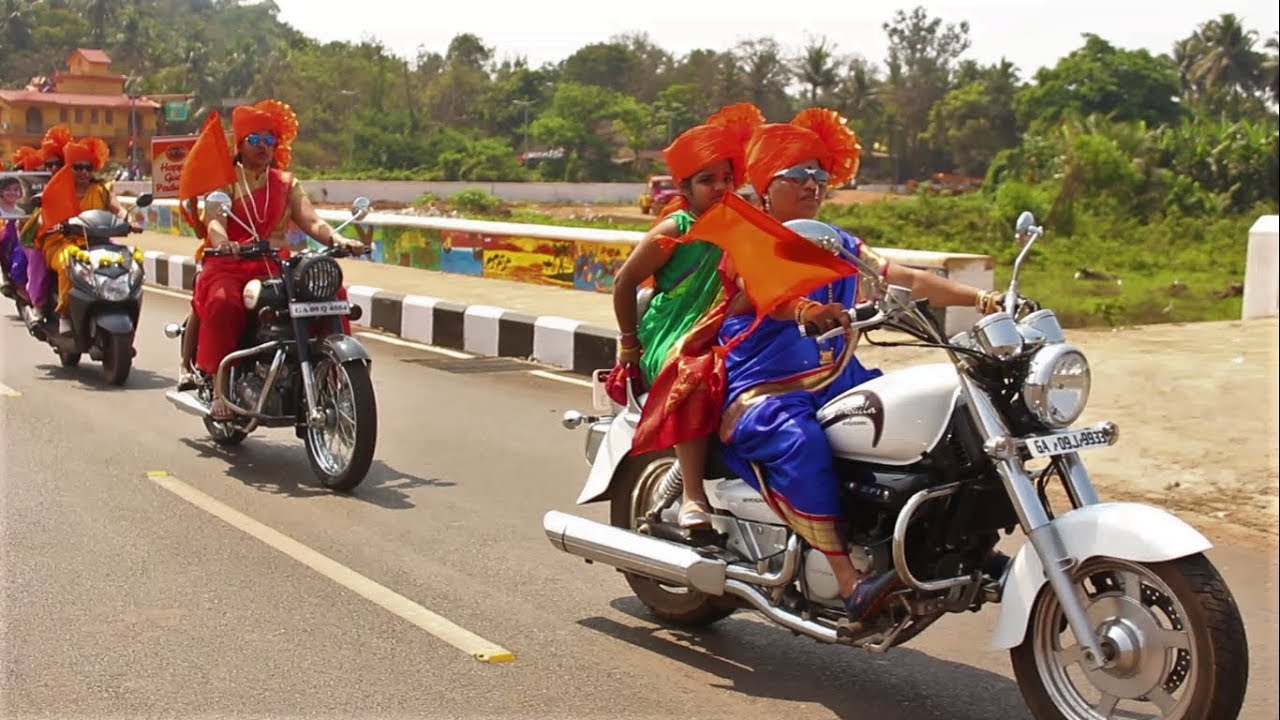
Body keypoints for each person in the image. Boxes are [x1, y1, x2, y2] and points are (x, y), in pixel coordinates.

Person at [716, 108, 1007, 631]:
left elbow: (903, 276)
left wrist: (986, 298)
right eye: (799, 175)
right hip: (764, 385)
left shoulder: (835, 241)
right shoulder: (748, 238)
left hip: (837, 373)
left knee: (926, 421)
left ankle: (957, 545)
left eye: (820, 176)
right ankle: (848, 581)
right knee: (800, 442)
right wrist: (806, 311)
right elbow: (767, 291)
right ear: (766, 183)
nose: (813, 186)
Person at [610, 103, 763, 529]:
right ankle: (694, 496)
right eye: (707, 180)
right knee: (694, 374)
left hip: (727, 327)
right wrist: (629, 344)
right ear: (685, 187)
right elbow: (623, 283)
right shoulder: (673, 232)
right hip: (673, 334)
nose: (719, 188)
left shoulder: (742, 225)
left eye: (727, 179)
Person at [192, 99, 364, 420]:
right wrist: (224, 242)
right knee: (222, 302)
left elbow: (312, 221)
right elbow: (214, 220)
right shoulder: (225, 180)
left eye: (269, 140)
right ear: (240, 145)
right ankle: (219, 388)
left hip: (276, 265)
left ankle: (335, 377)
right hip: (232, 263)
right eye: (255, 140)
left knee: (331, 294)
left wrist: (338, 239)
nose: (263, 147)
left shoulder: (286, 183)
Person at [35, 135, 137, 333]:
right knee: (68, 265)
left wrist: (129, 221)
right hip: (62, 243)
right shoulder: (56, 190)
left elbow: (118, 208)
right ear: (68, 168)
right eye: (78, 167)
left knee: (127, 262)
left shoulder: (101, 190)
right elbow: (42, 216)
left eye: (87, 168)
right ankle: (64, 313)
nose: (83, 172)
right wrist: (48, 225)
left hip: (97, 243)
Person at [1, 176, 31, 304]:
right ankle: (16, 283)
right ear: (1, 191)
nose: (12, 193)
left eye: (16, 190)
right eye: (8, 189)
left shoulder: (21, 212)